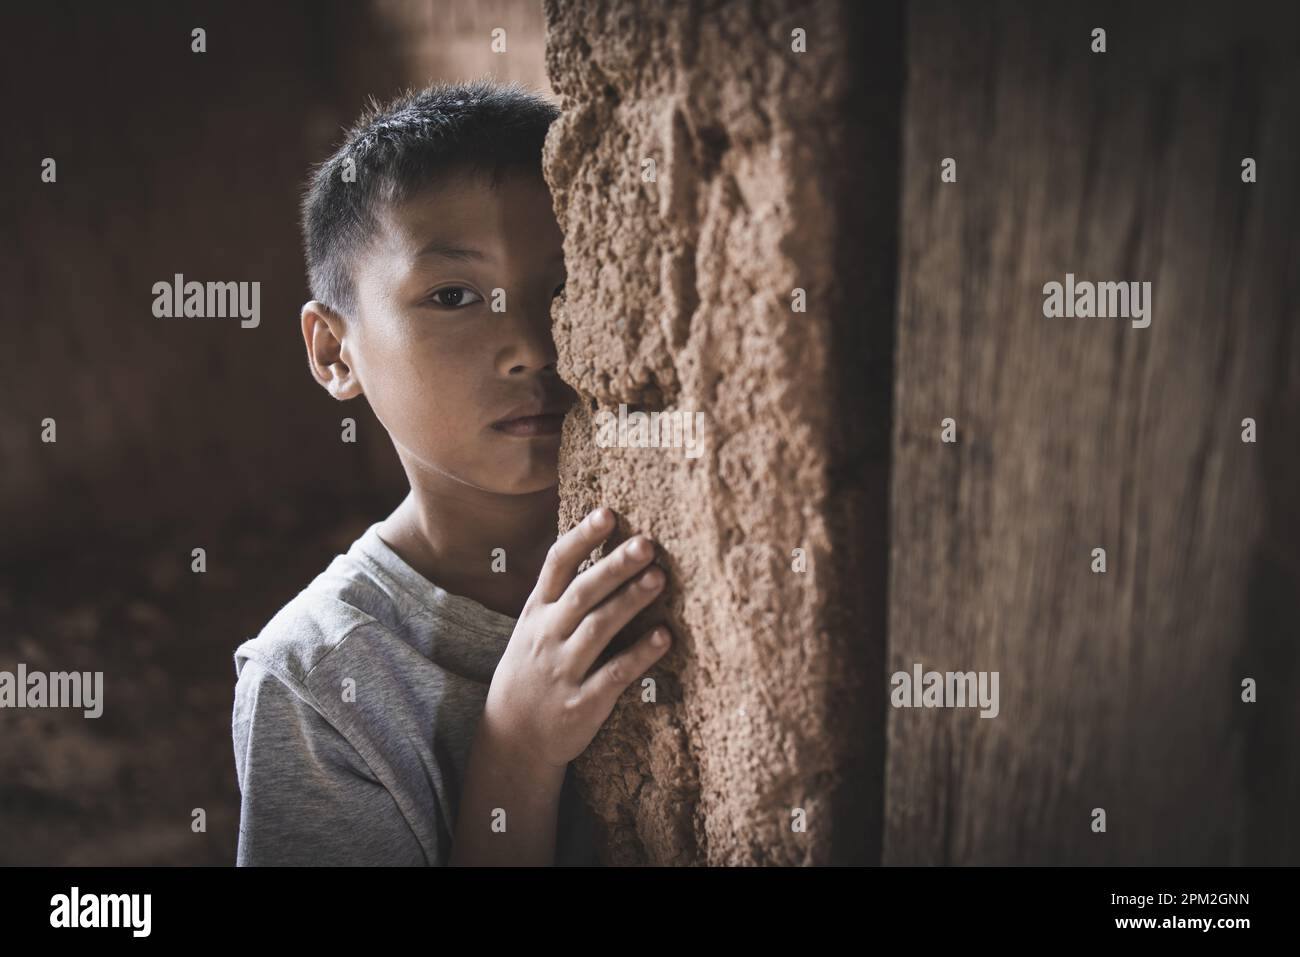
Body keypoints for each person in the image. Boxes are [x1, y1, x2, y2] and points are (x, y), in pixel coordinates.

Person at [230, 79, 672, 866]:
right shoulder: (319, 682)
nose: (534, 345)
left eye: (566, 286)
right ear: (335, 351)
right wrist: (518, 749)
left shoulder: (666, 553)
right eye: (455, 294)